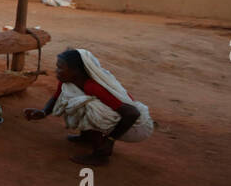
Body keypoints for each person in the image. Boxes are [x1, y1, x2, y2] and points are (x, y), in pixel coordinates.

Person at [23, 48, 153, 166]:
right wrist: (44, 112)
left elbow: (132, 114)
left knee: (89, 106)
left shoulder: (94, 86)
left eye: (61, 68)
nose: (57, 71)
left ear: (76, 71)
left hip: (135, 128)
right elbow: (56, 97)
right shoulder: (68, 81)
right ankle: (87, 137)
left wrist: (110, 140)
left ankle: (101, 156)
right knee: (75, 100)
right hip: (122, 121)